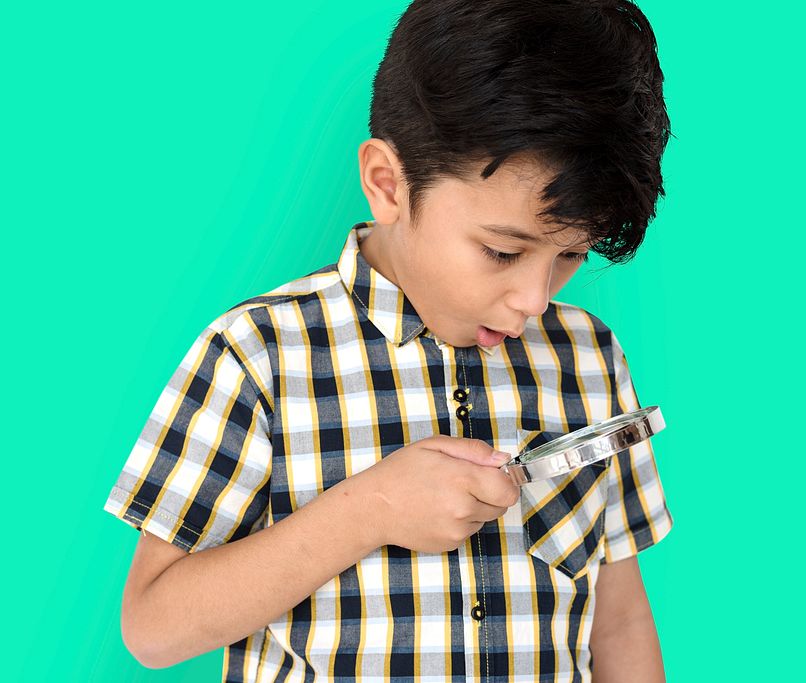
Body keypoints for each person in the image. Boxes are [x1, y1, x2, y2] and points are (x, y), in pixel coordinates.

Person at [102, 0, 675, 680]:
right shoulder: (259, 353)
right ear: (387, 183)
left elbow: (620, 617)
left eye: (569, 255)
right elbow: (152, 628)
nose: (533, 299)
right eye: (501, 252)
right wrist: (369, 511)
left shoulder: (588, 357)